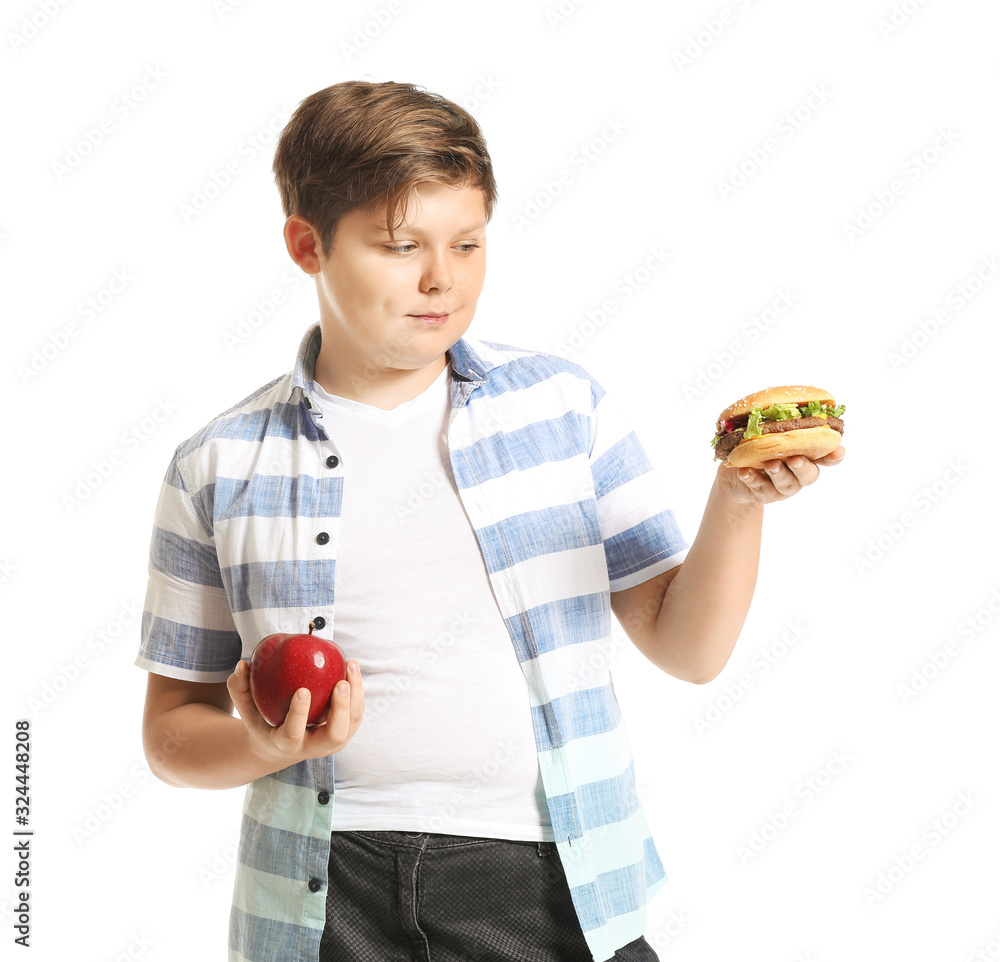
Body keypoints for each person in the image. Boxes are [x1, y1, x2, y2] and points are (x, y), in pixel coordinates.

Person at [136, 80, 844, 962]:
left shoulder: (562, 409)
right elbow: (171, 732)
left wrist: (739, 502)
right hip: (322, 895)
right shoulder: (218, 462)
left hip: (552, 878)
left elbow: (688, 650)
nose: (443, 279)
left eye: (468, 244)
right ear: (306, 245)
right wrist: (259, 743)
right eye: (400, 247)